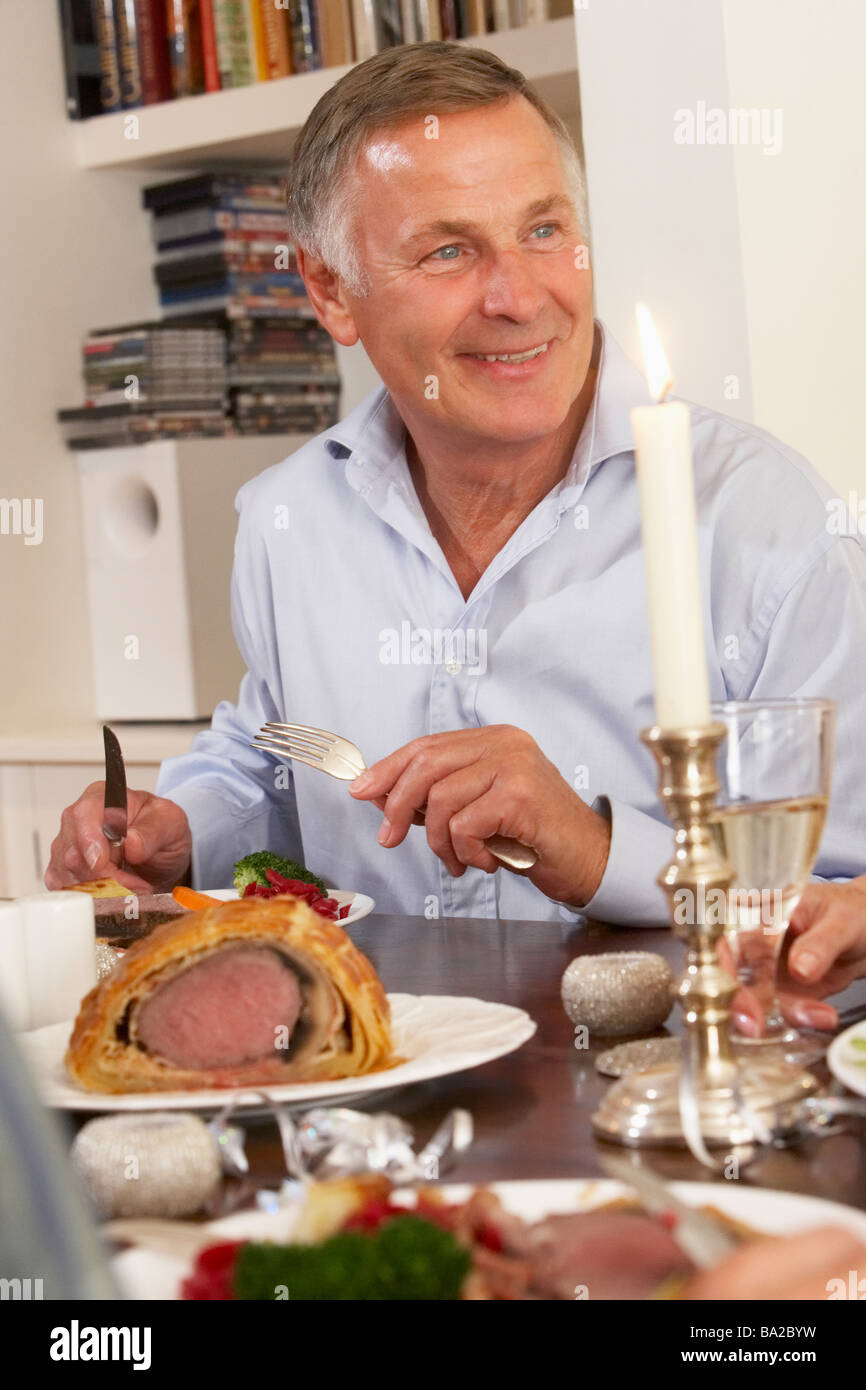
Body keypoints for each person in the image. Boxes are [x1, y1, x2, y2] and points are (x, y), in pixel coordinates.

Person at [46, 42, 866, 931]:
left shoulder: (772, 529)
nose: (517, 296)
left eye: (544, 230)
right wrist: (183, 830)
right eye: (447, 251)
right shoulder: (289, 519)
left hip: (665, 1068)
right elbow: (276, 752)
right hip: (372, 1058)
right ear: (329, 291)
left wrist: (597, 852)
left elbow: (844, 907)